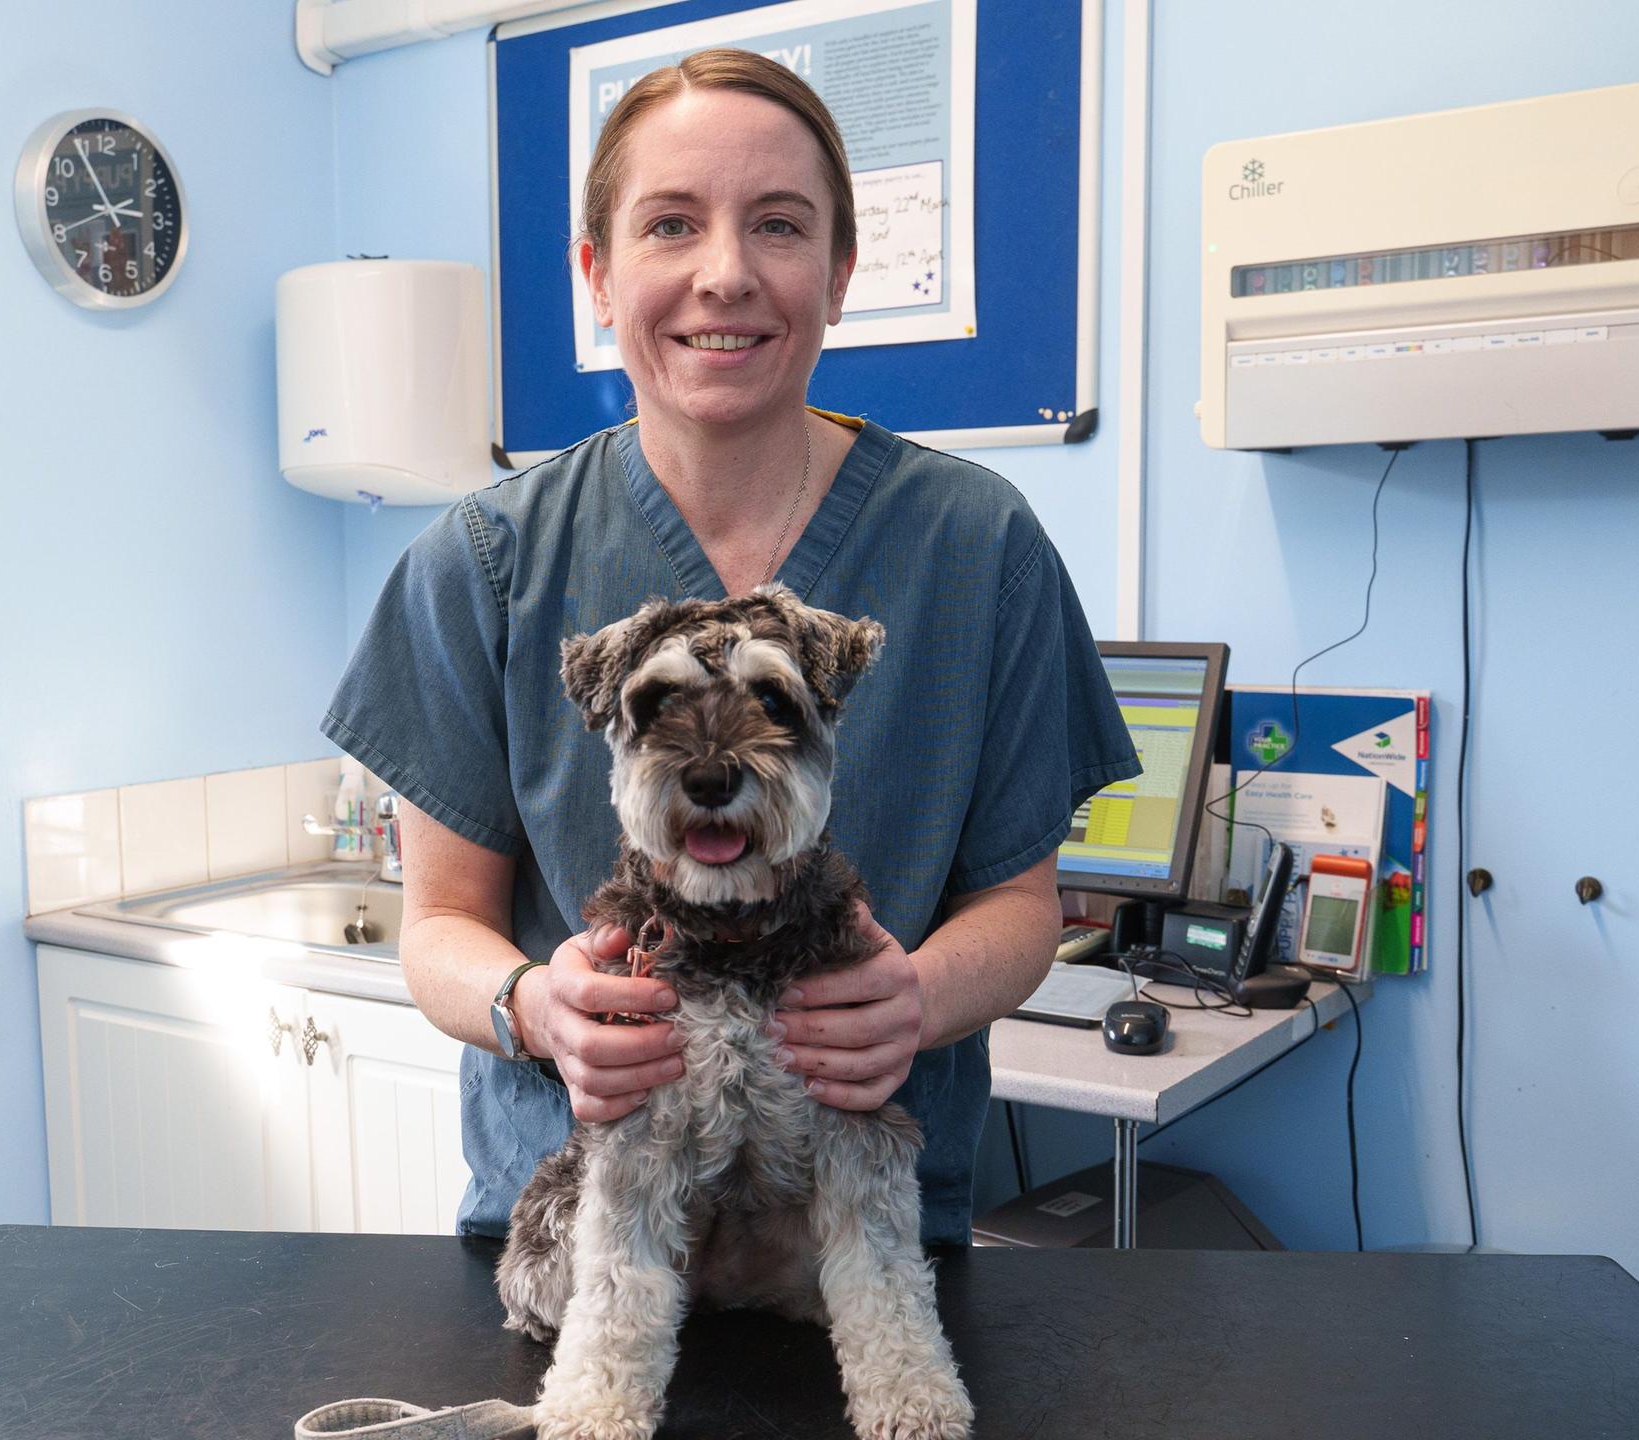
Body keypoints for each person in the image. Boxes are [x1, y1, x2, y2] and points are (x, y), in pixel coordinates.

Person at [320, 49, 1140, 1246]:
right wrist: (532, 1006)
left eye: (778, 225)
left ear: (839, 272)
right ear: (598, 277)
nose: (724, 274)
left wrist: (913, 999)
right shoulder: (484, 563)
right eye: (669, 224)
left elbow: (1020, 906)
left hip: (856, 1255)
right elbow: (439, 926)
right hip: (586, 1249)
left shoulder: (975, 547)